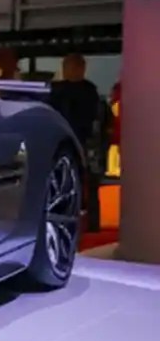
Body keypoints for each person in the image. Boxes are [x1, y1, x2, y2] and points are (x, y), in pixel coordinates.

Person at [49, 53, 104, 231]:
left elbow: (96, 119)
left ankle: (87, 222)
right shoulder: (58, 91)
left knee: (85, 184)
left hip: (82, 144)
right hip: (65, 144)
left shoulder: (87, 92)